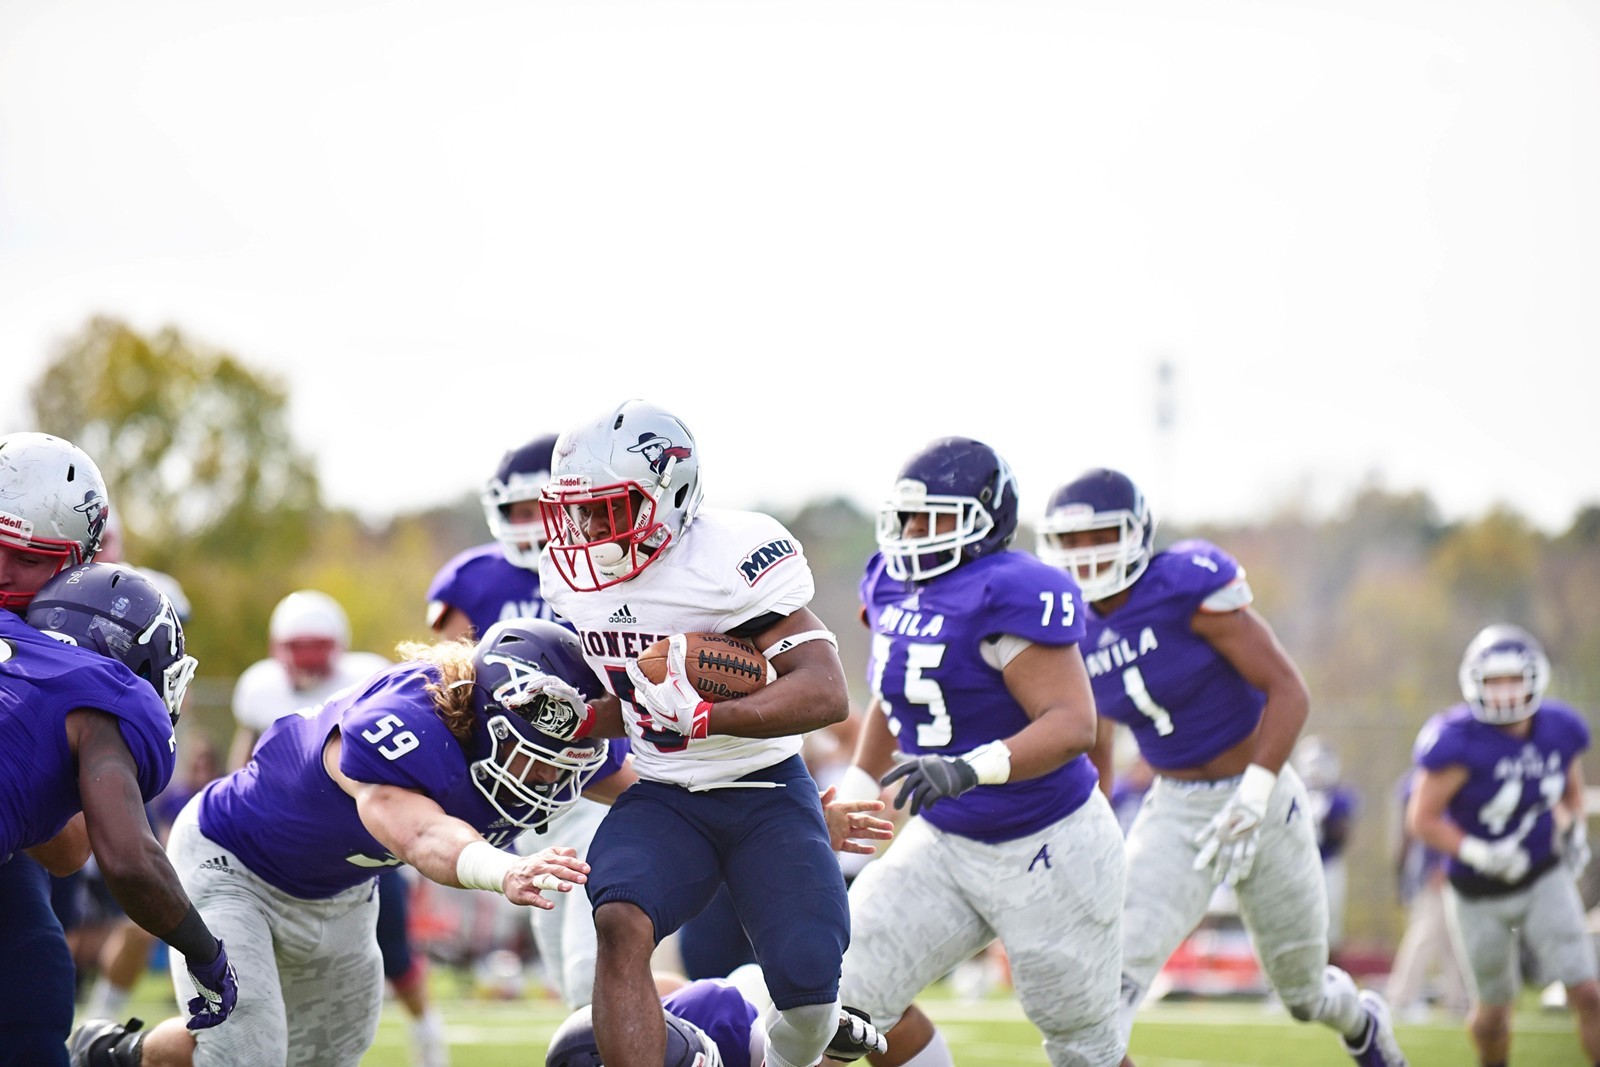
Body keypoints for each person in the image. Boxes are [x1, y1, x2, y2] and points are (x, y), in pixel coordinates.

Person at [68, 619, 610, 1067]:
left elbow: (631, 781)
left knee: (330, 1051)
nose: (551, 783)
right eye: (541, 764)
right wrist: (503, 871)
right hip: (234, 863)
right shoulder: (406, 726)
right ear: (494, 719)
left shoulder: (529, 729)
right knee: (245, 1054)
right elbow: (422, 834)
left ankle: (117, 1055)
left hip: (339, 888)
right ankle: (119, 1055)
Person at [533, 399, 880, 1067]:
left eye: (608, 508)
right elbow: (625, 699)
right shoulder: (573, 581)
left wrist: (705, 714)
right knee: (618, 918)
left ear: (669, 495)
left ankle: (776, 1039)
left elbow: (824, 689)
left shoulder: (729, 558)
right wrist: (569, 714)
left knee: (807, 996)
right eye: (579, 509)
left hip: (766, 791)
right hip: (665, 792)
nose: (586, 529)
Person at [1036, 467, 1406, 1067]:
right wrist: (1088, 833)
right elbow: (1092, 741)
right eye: (1071, 542)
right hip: (1176, 810)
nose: (1085, 555)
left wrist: (1254, 796)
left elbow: (1289, 691)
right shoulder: (1068, 626)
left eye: (1099, 536)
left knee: (1303, 992)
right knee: (1108, 982)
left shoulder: (1184, 586)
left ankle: (1361, 1023)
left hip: (1264, 796)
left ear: (1135, 534)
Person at [832, 436, 1124, 1067]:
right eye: (906, 517)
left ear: (982, 521)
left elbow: (1073, 722)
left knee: (1085, 1051)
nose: (912, 533)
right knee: (835, 997)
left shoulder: (1009, 589)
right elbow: (897, 687)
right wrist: (860, 775)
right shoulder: (889, 581)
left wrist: (969, 768)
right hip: (945, 841)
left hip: (1049, 843)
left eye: (930, 517)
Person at [0, 431, 235, 1066]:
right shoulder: (96, 682)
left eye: (24, 557)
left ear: (77, 561)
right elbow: (123, 857)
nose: (1, 573)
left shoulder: (64, 664)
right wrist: (209, 953)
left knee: (34, 982)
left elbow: (66, 848)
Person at [424, 432, 615, 1013]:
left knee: (591, 975)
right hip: (516, 791)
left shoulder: (611, 568)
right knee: (567, 978)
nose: (531, 524)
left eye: (542, 507)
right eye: (518, 510)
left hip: (590, 778)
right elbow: (445, 683)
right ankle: (722, 1018)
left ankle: (719, 1026)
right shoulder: (473, 578)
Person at [1406, 624, 1600, 1067]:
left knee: (1588, 992)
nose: (1504, 692)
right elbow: (1420, 818)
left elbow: (1570, 792)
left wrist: (1570, 829)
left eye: (1513, 678)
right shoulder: (1456, 739)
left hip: (1541, 876)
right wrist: (1478, 852)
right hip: (1477, 892)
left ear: (1535, 678)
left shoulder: (1559, 728)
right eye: (1493, 681)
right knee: (1493, 1015)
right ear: (1474, 683)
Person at [1385, 770, 1468, 1021]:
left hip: (1444, 869)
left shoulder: (1433, 777)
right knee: (1426, 934)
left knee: (1451, 938)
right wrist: (1440, 864)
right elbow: (1424, 826)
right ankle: (1401, 996)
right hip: (1435, 872)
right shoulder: (1427, 779)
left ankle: (1458, 1000)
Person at [1293, 735, 1360, 957]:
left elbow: (1343, 835)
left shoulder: (1339, 797)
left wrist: (1326, 819)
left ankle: (1331, 971)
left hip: (1329, 863)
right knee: (1295, 919)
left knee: (1332, 921)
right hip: (1297, 864)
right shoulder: (1293, 792)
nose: (1316, 771)